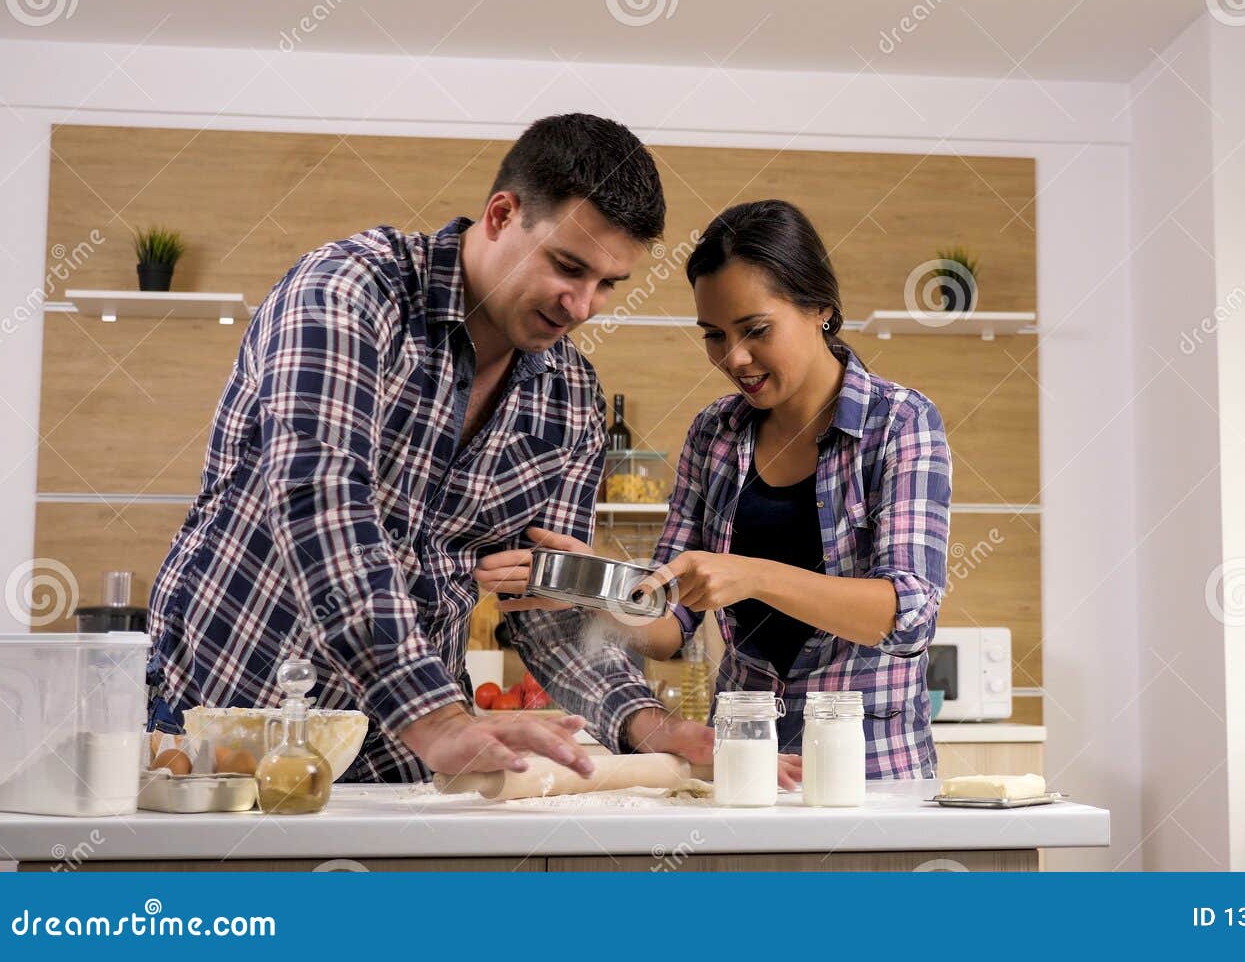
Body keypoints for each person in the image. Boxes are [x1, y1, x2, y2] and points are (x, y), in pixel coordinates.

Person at [146, 113, 711, 783]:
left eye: (608, 283)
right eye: (568, 266)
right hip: (232, 724)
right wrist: (437, 717)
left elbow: (544, 609)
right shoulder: (349, 293)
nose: (582, 306)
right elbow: (319, 504)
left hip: (402, 759)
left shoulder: (570, 399)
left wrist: (646, 722)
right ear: (501, 214)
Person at [479, 199, 952, 779]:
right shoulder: (715, 433)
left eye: (755, 330)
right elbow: (667, 628)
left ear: (820, 309)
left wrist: (753, 574)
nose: (735, 358)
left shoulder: (900, 423)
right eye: (714, 335)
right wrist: (599, 588)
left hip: (870, 768)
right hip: (741, 760)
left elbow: (909, 616)